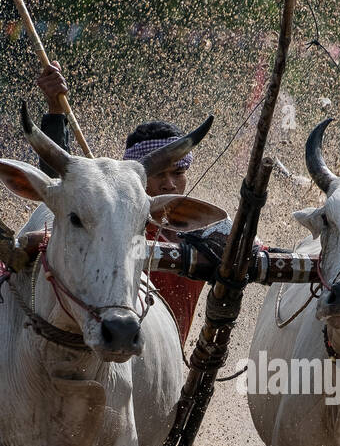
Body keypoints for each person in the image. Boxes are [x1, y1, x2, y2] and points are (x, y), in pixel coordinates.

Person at [36, 62, 211, 344]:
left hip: (165, 366)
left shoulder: (205, 230)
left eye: (178, 173)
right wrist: (56, 111)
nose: (169, 185)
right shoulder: (109, 222)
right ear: (136, 182)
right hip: (98, 342)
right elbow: (58, 190)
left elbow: (253, 253)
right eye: (158, 174)